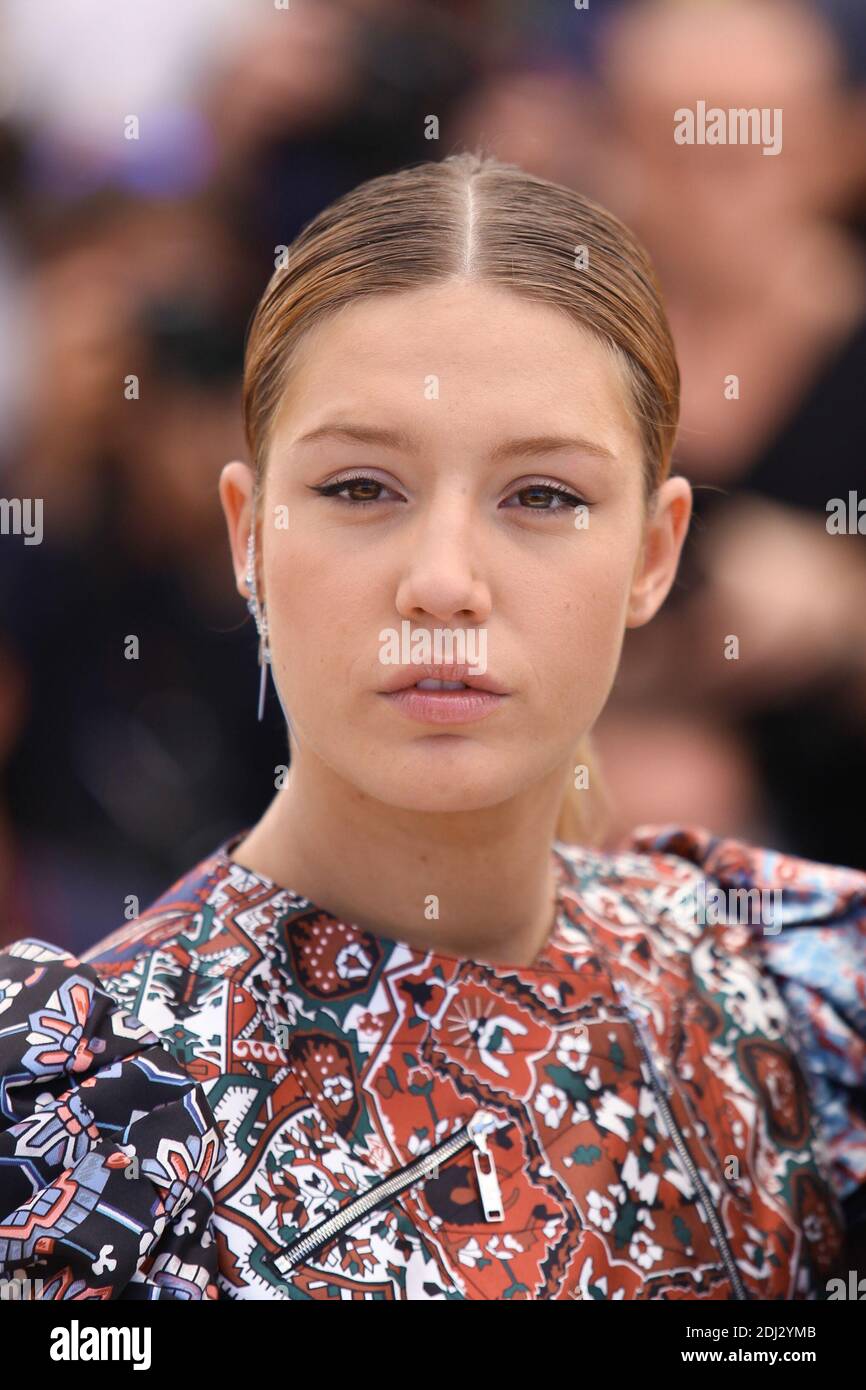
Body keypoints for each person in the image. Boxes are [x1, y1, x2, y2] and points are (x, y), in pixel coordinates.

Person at [1, 152, 864, 1301]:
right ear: (248, 533)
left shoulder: (796, 1001)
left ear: (654, 553)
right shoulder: (77, 1110)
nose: (444, 582)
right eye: (360, 488)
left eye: (542, 496)